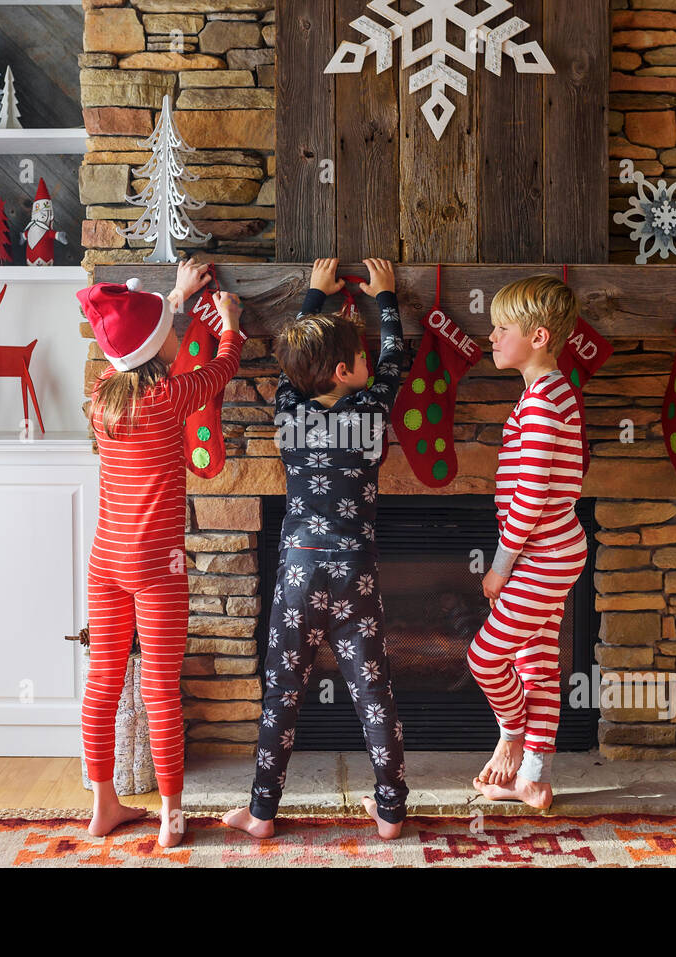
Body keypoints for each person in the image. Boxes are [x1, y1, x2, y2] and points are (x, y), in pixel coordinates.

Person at [223, 258, 409, 840]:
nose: (371, 362)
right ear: (346, 371)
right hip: (355, 570)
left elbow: (292, 368)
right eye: (362, 358)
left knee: (283, 691)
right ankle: (391, 813)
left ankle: (261, 812)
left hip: (300, 569)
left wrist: (312, 296)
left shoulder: (289, 408)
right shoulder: (371, 408)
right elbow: (396, 360)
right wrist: (385, 300)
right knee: (373, 689)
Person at [77, 260, 243, 846]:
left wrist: (173, 297)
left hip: (106, 562)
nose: (178, 336)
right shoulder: (174, 395)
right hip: (157, 569)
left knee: (102, 680)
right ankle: (172, 821)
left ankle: (104, 807)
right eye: (171, 331)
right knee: (159, 687)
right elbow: (223, 367)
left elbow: (133, 345)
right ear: (159, 348)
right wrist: (229, 323)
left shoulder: (103, 397)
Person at [467, 275, 588, 811]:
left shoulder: (541, 404)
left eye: (502, 328)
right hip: (554, 552)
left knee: (486, 657)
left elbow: (532, 497)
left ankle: (513, 735)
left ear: (538, 336)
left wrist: (499, 567)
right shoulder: (552, 392)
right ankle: (533, 778)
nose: (491, 337)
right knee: (536, 663)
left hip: (542, 554)